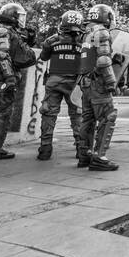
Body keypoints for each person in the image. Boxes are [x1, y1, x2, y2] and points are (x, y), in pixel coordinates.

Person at [0, 2, 36, 161]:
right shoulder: (3, 31)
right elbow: (3, 55)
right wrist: (10, 77)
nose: (21, 20)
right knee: (3, 113)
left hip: (2, 78)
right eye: (19, 16)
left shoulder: (7, 31)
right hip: (5, 79)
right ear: (12, 17)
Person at [78, 3, 123, 172]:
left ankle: (85, 155)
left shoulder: (87, 33)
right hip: (98, 84)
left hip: (86, 83)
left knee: (87, 119)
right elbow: (103, 61)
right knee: (108, 116)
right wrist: (112, 83)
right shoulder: (102, 32)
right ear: (107, 17)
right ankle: (99, 157)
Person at [37, 9, 86, 162]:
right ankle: (80, 149)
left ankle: (45, 149)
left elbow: (43, 56)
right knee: (77, 115)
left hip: (55, 81)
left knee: (48, 114)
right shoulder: (84, 41)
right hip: (75, 84)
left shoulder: (51, 40)